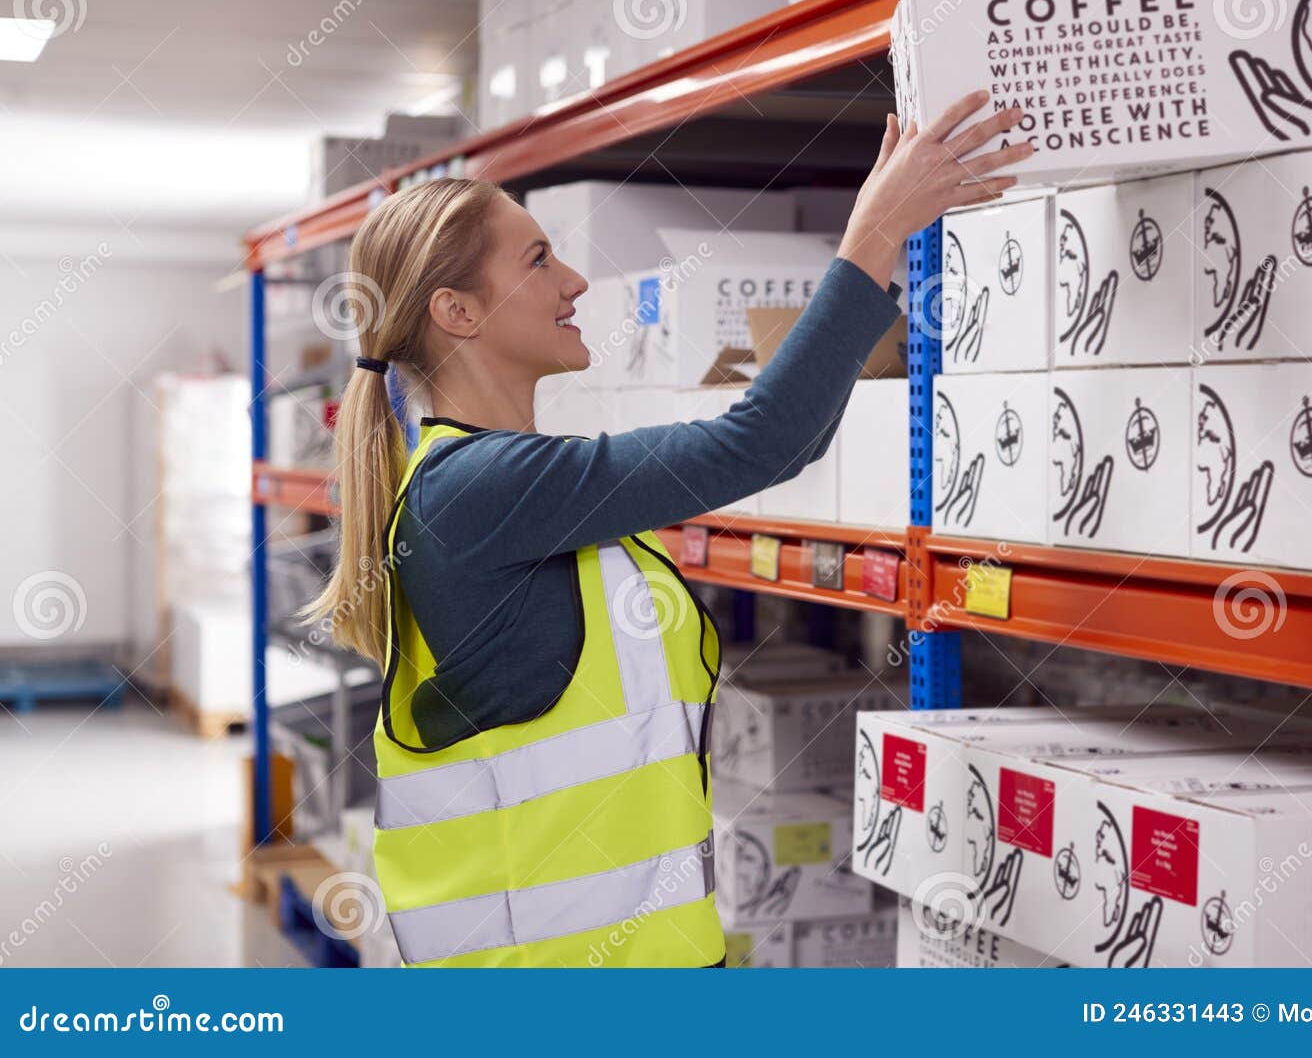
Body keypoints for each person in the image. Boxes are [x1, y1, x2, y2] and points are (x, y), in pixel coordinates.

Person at [303, 91, 1030, 968]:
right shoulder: (477, 490)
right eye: (538, 261)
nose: (573, 281)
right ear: (457, 311)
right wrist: (875, 234)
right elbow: (759, 441)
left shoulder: (500, 485)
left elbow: (785, 440)